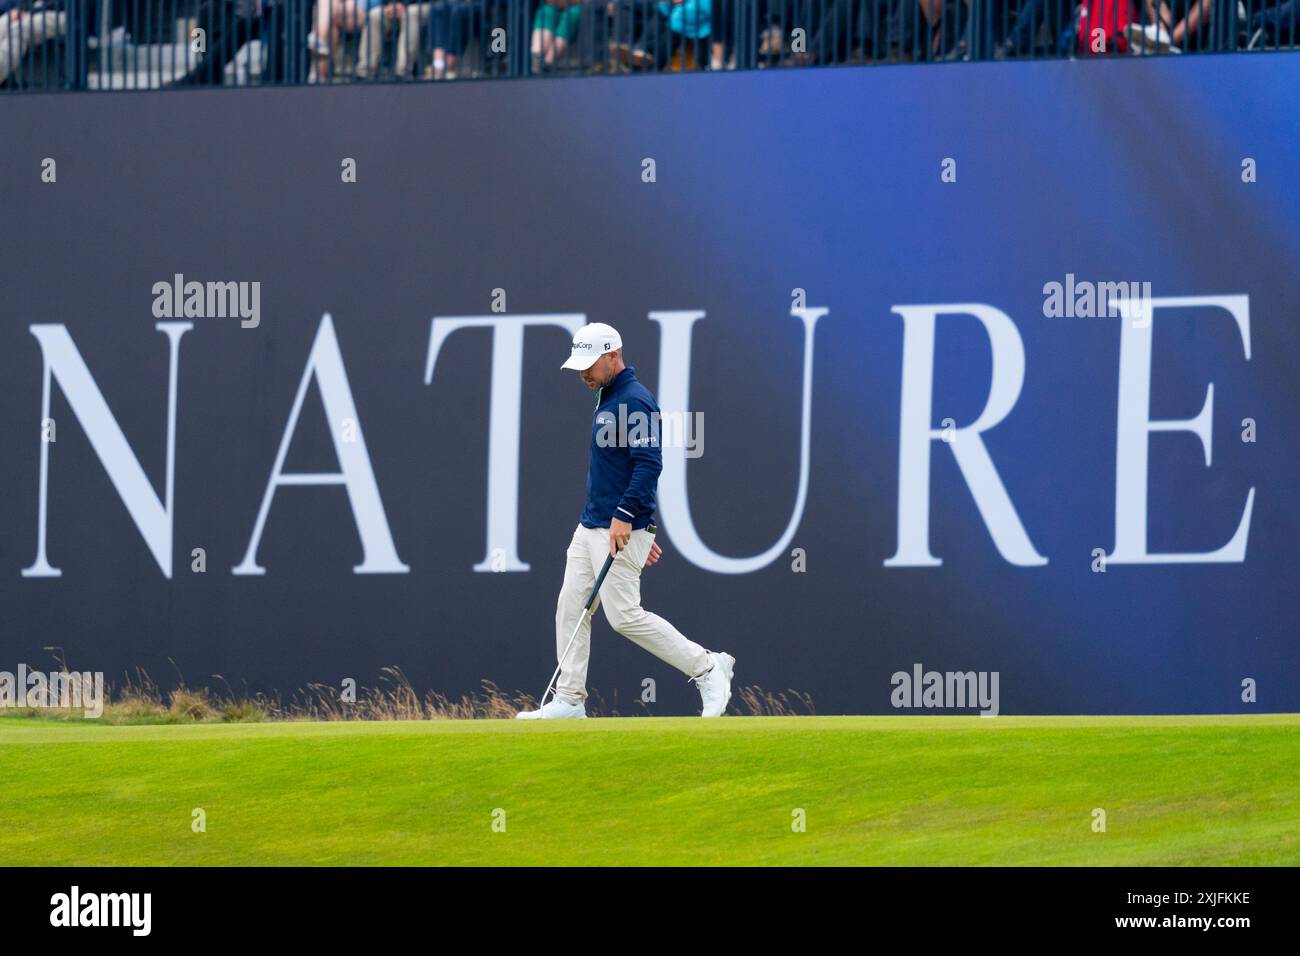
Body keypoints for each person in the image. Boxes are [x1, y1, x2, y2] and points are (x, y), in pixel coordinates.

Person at [516, 322, 735, 719]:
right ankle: (568, 699)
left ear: (613, 356)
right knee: (571, 606)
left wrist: (627, 519)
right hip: (592, 525)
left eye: (589, 364)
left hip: (615, 526)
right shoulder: (607, 394)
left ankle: (707, 667)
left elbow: (649, 464)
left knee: (624, 617)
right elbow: (617, 469)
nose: (583, 373)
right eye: (579, 365)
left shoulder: (633, 400)